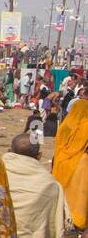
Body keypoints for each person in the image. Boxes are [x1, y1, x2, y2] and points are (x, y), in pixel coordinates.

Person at [51, 93, 88, 229]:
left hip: (61, 162)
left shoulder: (65, 125)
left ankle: (62, 217)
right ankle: (78, 220)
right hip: (81, 163)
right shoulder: (85, 124)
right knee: (79, 196)